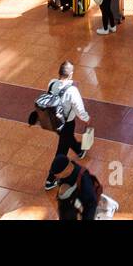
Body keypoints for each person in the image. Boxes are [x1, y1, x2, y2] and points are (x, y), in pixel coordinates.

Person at [42, 61, 90, 190]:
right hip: (67, 122)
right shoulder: (72, 90)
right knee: (61, 151)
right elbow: (79, 108)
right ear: (71, 74)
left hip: (55, 121)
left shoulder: (52, 83)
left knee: (66, 138)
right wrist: (86, 118)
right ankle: (50, 179)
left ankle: (79, 150)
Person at [47, 153, 100, 220]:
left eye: (58, 174)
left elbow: (91, 203)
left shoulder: (84, 179)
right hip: (71, 206)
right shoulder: (65, 175)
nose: (56, 176)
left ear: (66, 169)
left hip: (79, 206)